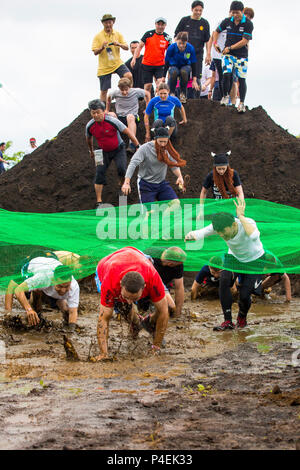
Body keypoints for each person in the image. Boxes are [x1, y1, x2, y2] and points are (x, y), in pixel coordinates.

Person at [186, 199, 266, 331]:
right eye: (219, 233)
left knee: (245, 295)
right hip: (234, 258)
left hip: (254, 260)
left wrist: (241, 216)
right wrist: (193, 235)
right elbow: (203, 231)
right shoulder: (220, 226)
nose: (222, 236)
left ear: (234, 225)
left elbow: (254, 235)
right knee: (223, 280)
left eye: (224, 232)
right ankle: (227, 321)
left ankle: (242, 317)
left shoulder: (247, 223)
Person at [95, 247, 169, 360]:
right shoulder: (110, 281)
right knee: (122, 308)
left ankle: (147, 321)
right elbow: (103, 318)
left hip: (139, 258)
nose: (129, 301)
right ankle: (136, 323)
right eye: (126, 297)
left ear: (144, 287)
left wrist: (156, 347)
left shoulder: (152, 276)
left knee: (163, 307)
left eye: (134, 298)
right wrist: (103, 354)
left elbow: (164, 311)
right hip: (107, 265)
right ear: (120, 285)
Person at [85, 99, 140, 208]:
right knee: (99, 173)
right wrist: (91, 151)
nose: (96, 115)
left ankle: (121, 186)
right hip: (101, 151)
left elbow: (128, 132)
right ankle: (99, 201)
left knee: (121, 169)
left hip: (118, 148)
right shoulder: (90, 126)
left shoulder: (112, 121)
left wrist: (137, 146)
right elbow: (88, 139)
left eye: (98, 112)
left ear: (103, 111)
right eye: (93, 113)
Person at [5, 255, 80, 331]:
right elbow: (16, 289)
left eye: (66, 286)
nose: (63, 290)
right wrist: (28, 310)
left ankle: (38, 310)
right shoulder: (42, 278)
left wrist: (71, 332)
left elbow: (73, 311)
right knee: (15, 286)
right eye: (60, 286)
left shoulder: (74, 286)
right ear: (53, 280)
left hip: (51, 258)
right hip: (33, 263)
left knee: (66, 311)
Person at [122, 127, 185, 205]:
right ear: (155, 139)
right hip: (146, 185)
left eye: (165, 141)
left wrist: (180, 176)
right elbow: (133, 163)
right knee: (149, 214)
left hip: (161, 184)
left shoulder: (167, 149)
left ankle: (162, 218)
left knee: (175, 204)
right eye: (160, 141)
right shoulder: (145, 148)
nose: (163, 144)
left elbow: (173, 164)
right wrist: (126, 183)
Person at [212, 1, 254, 113]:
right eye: (233, 12)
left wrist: (230, 48)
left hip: (241, 56)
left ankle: (241, 103)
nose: (235, 15)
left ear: (242, 11)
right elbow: (216, 32)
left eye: (237, 13)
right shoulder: (227, 21)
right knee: (226, 74)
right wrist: (215, 43)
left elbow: (244, 41)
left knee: (241, 78)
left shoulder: (248, 24)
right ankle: (225, 96)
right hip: (228, 55)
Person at [92, 14, 132, 103]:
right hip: (104, 66)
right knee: (104, 90)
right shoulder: (98, 36)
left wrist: (119, 44)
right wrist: (102, 47)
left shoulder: (118, 34)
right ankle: (103, 108)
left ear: (113, 22)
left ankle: (130, 96)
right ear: (103, 23)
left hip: (117, 63)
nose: (108, 24)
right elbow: (95, 52)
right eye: (106, 22)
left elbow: (126, 47)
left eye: (110, 22)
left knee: (128, 75)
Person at [174, 1, 211, 98]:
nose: (198, 12)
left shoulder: (205, 23)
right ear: (192, 9)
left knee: (197, 76)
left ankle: (196, 99)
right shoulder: (185, 21)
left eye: (200, 10)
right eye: (196, 10)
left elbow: (207, 40)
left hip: (198, 54)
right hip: (184, 53)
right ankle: (181, 95)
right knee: (183, 73)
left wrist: (208, 54)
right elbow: (176, 37)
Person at [106, 78, 150, 153]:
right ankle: (114, 143)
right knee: (112, 115)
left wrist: (147, 108)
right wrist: (107, 109)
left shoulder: (136, 91)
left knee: (130, 116)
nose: (124, 92)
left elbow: (147, 94)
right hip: (120, 118)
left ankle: (132, 144)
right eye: (122, 90)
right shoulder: (116, 93)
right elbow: (109, 96)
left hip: (133, 118)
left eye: (126, 89)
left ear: (130, 87)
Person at [130, 18, 172, 95]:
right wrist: (134, 59)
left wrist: (171, 64)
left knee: (160, 85)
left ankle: (158, 102)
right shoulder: (148, 34)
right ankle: (147, 105)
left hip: (160, 65)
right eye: (158, 24)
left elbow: (170, 52)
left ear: (165, 25)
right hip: (147, 64)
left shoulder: (167, 37)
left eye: (162, 25)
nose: (160, 26)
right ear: (155, 25)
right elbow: (139, 46)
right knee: (147, 86)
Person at [144, 246, 186, 317]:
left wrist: (177, 312)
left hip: (163, 283)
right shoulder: (150, 257)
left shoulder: (177, 264)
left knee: (168, 307)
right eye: (179, 264)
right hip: (145, 282)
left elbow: (179, 287)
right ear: (170, 264)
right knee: (144, 308)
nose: (180, 266)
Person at [163, 32, 199, 103]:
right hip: (174, 66)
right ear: (176, 41)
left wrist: (194, 80)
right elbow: (166, 62)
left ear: (186, 42)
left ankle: (183, 94)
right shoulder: (171, 48)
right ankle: (172, 93)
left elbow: (193, 64)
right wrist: (163, 77)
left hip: (186, 66)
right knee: (174, 72)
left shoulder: (190, 48)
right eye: (179, 43)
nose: (181, 46)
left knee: (184, 72)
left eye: (183, 43)